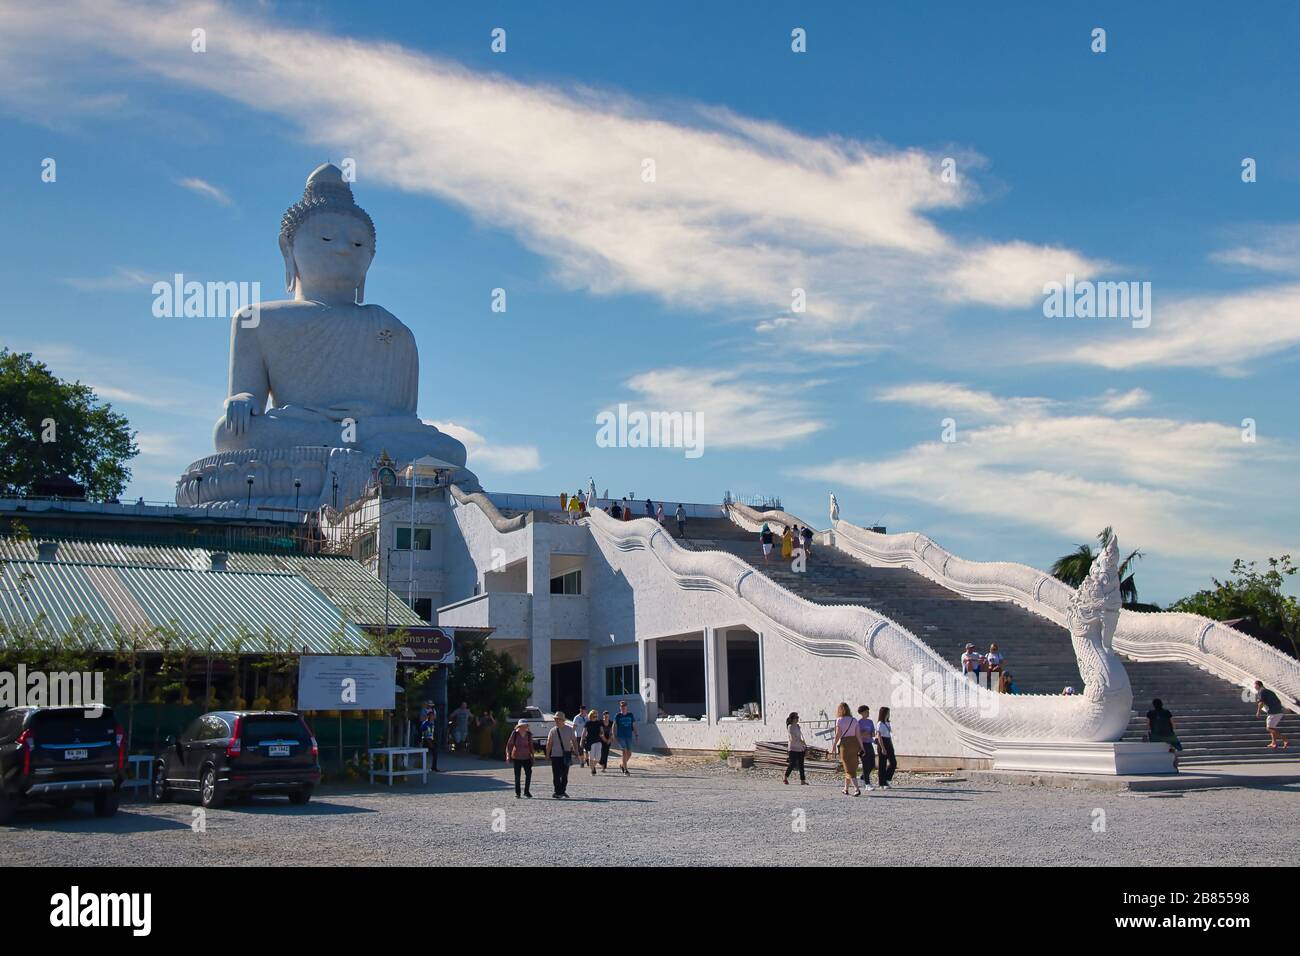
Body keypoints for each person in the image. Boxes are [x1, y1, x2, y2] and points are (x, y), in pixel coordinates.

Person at [544, 711, 577, 798]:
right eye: (556, 719)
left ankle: (562, 790)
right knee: (556, 775)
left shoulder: (569, 729)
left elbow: (574, 741)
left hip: (566, 755)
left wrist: (576, 751)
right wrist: (547, 755)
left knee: (565, 774)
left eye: (558, 719)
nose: (557, 721)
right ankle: (558, 792)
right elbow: (549, 743)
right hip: (555, 755)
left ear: (563, 720)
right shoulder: (553, 731)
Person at [832, 702, 861, 796]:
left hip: (845, 744)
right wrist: (862, 747)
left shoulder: (839, 720)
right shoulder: (854, 720)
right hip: (854, 743)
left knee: (848, 767)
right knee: (850, 766)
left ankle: (857, 789)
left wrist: (833, 745)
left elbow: (837, 735)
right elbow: (858, 735)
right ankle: (845, 788)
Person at [1145, 698, 1183, 770]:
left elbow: (1148, 725)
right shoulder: (1167, 712)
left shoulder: (1150, 713)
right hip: (1169, 735)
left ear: (1153, 705)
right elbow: (1173, 723)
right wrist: (1173, 731)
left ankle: (1157, 764)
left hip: (1155, 736)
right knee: (1174, 746)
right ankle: (1175, 761)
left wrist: (1149, 733)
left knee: (1154, 747)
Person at [1254, 680, 1290, 749]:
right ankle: (1274, 743)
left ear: (1258, 685)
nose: (1254, 687)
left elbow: (1261, 703)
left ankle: (1285, 739)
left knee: (1269, 728)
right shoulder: (1267, 691)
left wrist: (1258, 712)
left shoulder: (1262, 691)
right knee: (1272, 727)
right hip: (1278, 711)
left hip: (1273, 712)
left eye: (1255, 685)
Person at [505, 719, 534, 798]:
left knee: (528, 774)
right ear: (519, 726)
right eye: (522, 726)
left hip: (527, 757)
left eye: (525, 726)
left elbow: (531, 746)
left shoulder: (529, 734)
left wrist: (533, 756)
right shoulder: (515, 734)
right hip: (517, 757)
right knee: (517, 776)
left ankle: (526, 791)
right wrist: (508, 755)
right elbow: (509, 745)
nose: (523, 727)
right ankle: (517, 793)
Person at [613, 699, 638, 775]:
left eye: (624, 706)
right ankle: (626, 770)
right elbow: (614, 726)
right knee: (624, 752)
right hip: (621, 736)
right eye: (622, 706)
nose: (623, 707)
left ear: (627, 707)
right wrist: (614, 735)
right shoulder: (618, 716)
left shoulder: (630, 715)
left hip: (629, 736)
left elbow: (634, 725)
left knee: (629, 754)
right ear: (620, 707)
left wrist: (636, 735)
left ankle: (622, 765)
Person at [784, 712, 808, 785]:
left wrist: (803, 745)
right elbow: (792, 738)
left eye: (798, 717)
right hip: (793, 748)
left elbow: (799, 736)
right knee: (792, 763)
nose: (798, 719)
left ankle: (802, 780)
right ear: (793, 719)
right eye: (796, 717)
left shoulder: (797, 726)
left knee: (801, 764)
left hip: (800, 747)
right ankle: (785, 777)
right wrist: (801, 741)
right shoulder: (790, 726)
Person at [856, 705, 876, 791]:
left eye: (868, 711)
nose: (868, 713)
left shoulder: (870, 722)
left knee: (872, 764)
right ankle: (867, 784)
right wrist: (864, 733)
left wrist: (870, 733)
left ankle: (863, 776)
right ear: (862, 713)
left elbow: (873, 733)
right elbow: (858, 734)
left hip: (869, 744)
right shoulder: (859, 722)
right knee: (866, 764)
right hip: (862, 745)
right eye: (866, 712)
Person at [875, 707, 897, 788]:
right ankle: (882, 783)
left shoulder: (887, 723)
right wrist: (883, 748)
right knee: (882, 764)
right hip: (882, 743)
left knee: (893, 762)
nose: (888, 714)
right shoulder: (880, 724)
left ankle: (886, 779)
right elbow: (879, 736)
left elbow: (889, 735)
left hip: (888, 742)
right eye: (887, 713)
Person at [583, 709, 606, 776]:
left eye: (596, 716)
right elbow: (584, 732)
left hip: (598, 741)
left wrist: (602, 734)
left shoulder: (599, 723)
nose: (595, 717)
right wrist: (582, 740)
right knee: (591, 757)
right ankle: (593, 770)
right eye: (594, 716)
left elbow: (602, 731)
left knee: (598, 758)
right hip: (590, 742)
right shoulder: (588, 723)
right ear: (590, 716)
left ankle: (593, 766)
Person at [418, 706, 440, 773]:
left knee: (435, 753)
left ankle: (433, 767)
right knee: (426, 754)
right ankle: (424, 767)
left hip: (431, 739)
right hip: (426, 740)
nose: (433, 717)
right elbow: (422, 733)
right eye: (432, 715)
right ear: (429, 716)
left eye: (433, 715)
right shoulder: (426, 723)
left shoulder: (432, 724)